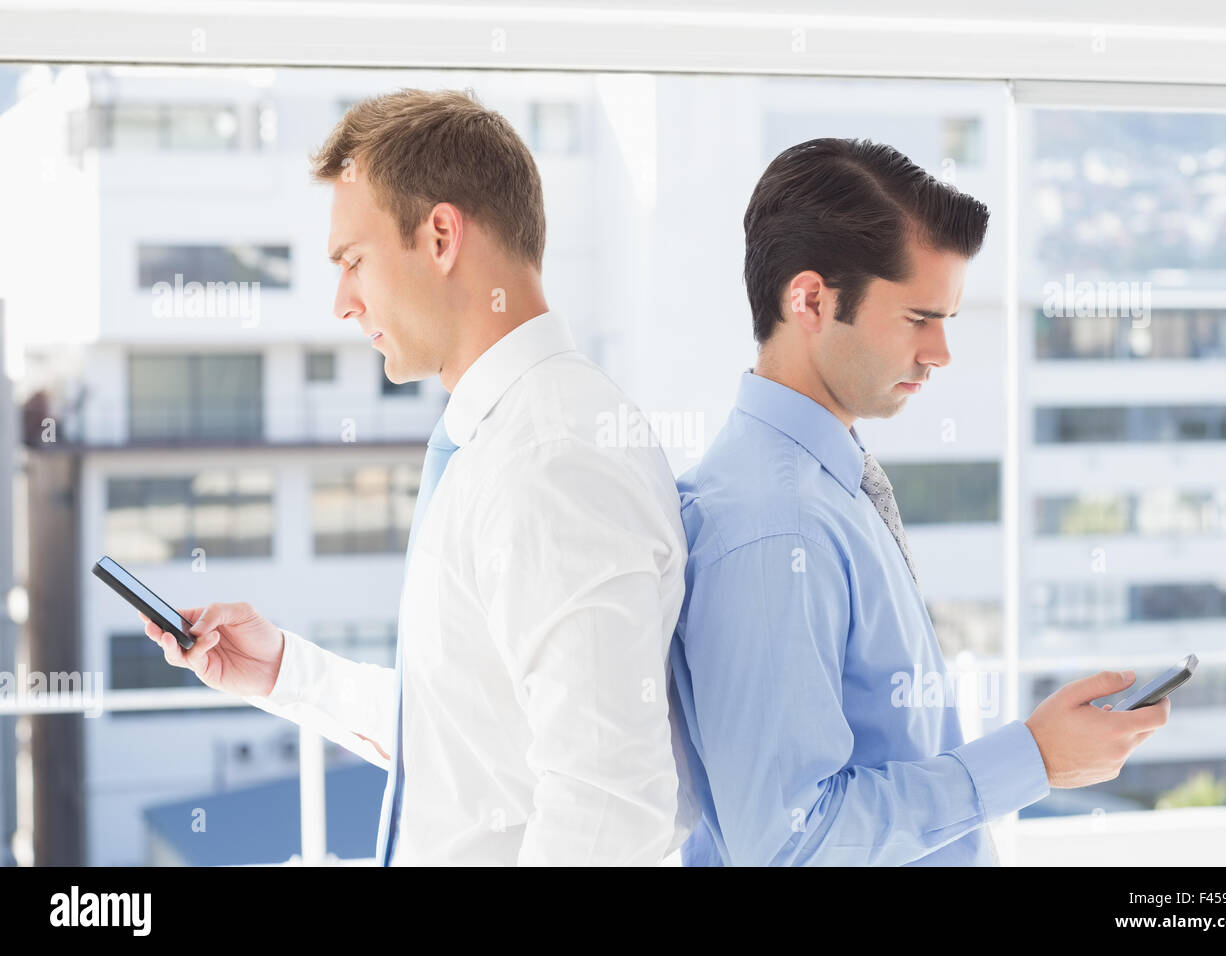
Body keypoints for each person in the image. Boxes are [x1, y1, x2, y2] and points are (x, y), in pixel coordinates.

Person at [139, 88, 692, 866]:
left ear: (439, 236)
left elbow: (607, 803)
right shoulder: (505, 440)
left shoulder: (550, 459)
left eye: (353, 261)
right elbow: (475, 738)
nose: (341, 302)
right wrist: (287, 672)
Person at [668, 137, 1171, 866]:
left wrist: (1036, 755)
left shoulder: (822, 492)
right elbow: (790, 843)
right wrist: (1031, 760)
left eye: (947, 321)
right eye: (917, 318)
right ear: (810, 299)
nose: (940, 352)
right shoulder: (775, 527)